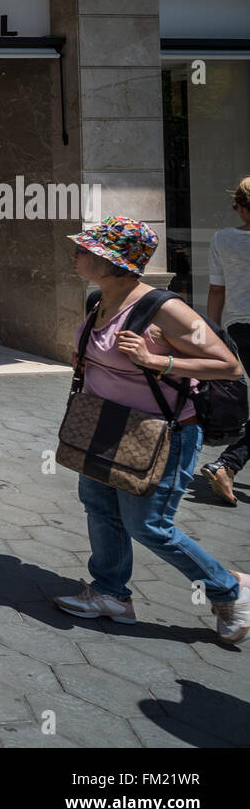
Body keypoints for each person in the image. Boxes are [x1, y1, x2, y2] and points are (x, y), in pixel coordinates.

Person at [53, 217, 250, 644]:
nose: (77, 255)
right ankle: (110, 593)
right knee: (98, 504)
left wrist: (160, 362)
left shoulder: (165, 309)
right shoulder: (97, 299)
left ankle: (229, 590)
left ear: (115, 262)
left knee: (149, 525)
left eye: (87, 251)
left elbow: (230, 367)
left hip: (164, 434)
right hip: (105, 423)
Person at [200, 176, 250, 505]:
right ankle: (227, 465)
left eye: (236, 205)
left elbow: (217, 291)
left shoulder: (223, 239)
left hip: (240, 327)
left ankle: (227, 465)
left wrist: (210, 336)